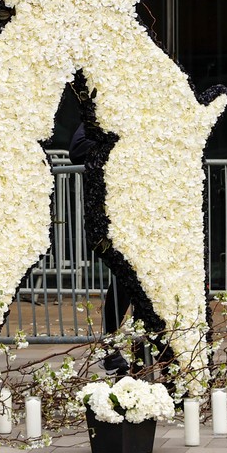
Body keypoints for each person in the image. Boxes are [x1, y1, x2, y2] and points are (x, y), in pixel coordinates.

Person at [70, 123, 134, 375]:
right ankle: (110, 345)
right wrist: (122, 148)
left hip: (151, 208)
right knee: (126, 278)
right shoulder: (100, 115)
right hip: (114, 211)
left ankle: (152, 352)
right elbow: (77, 149)